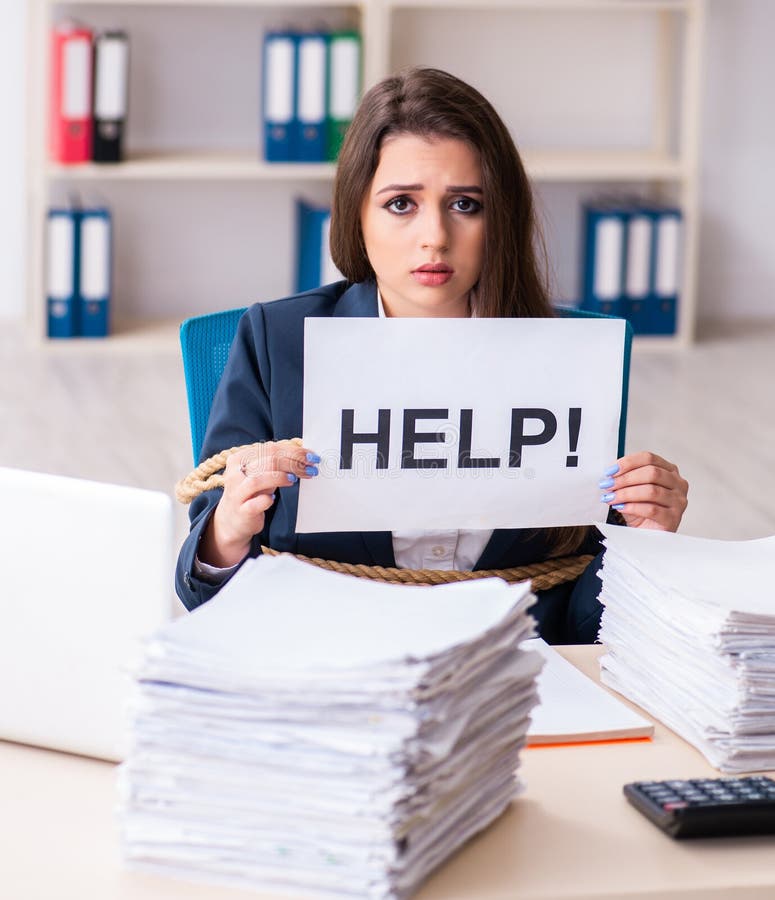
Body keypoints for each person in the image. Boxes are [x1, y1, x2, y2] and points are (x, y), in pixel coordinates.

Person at [176, 67, 688, 642]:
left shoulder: (566, 362)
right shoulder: (277, 339)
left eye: (465, 204)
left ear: (501, 218)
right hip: (330, 662)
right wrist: (230, 528)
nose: (435, 237)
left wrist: (645, 542)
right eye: (400, 204)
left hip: (519, 679)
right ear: (357, 214)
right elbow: (206, 596)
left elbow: (585, 629)